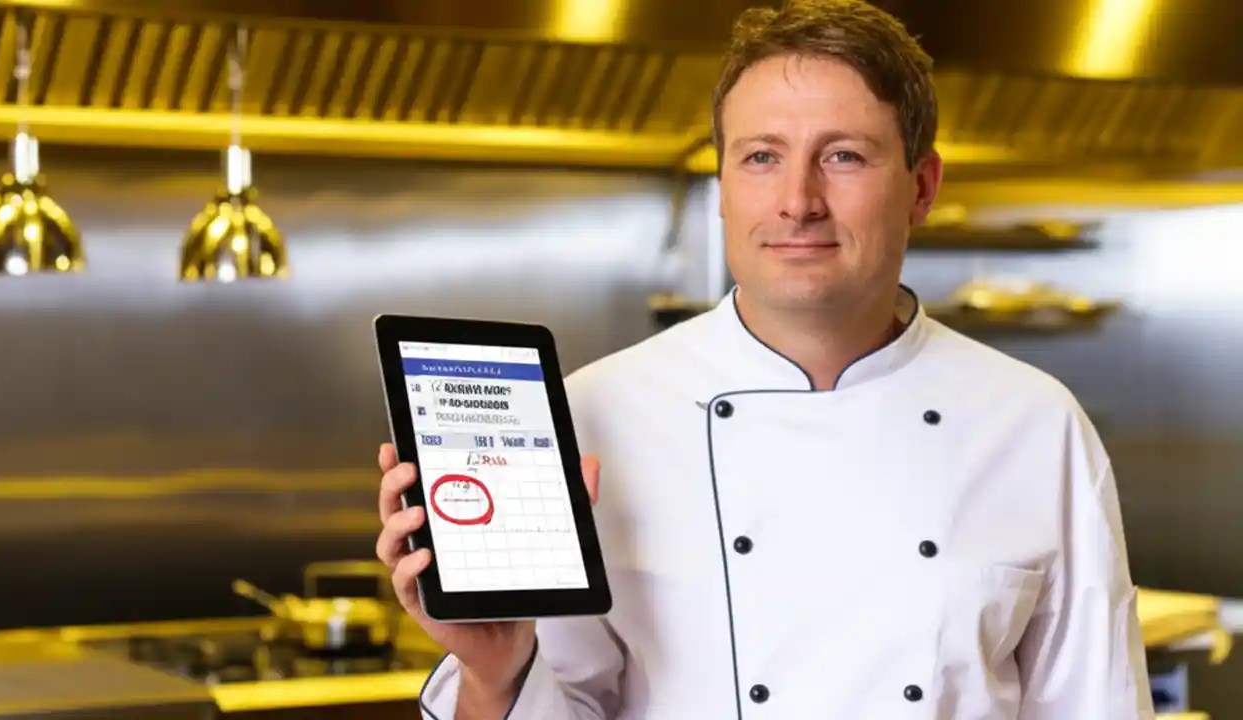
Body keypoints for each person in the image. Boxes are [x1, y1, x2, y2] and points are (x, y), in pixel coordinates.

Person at [377, 0, 1155, 717]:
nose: (798, 201)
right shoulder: (591, 417)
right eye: (760, 157)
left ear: (922, 187)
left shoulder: (1034, 424)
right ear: (721, 185)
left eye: (844, 156)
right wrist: (499, 675)